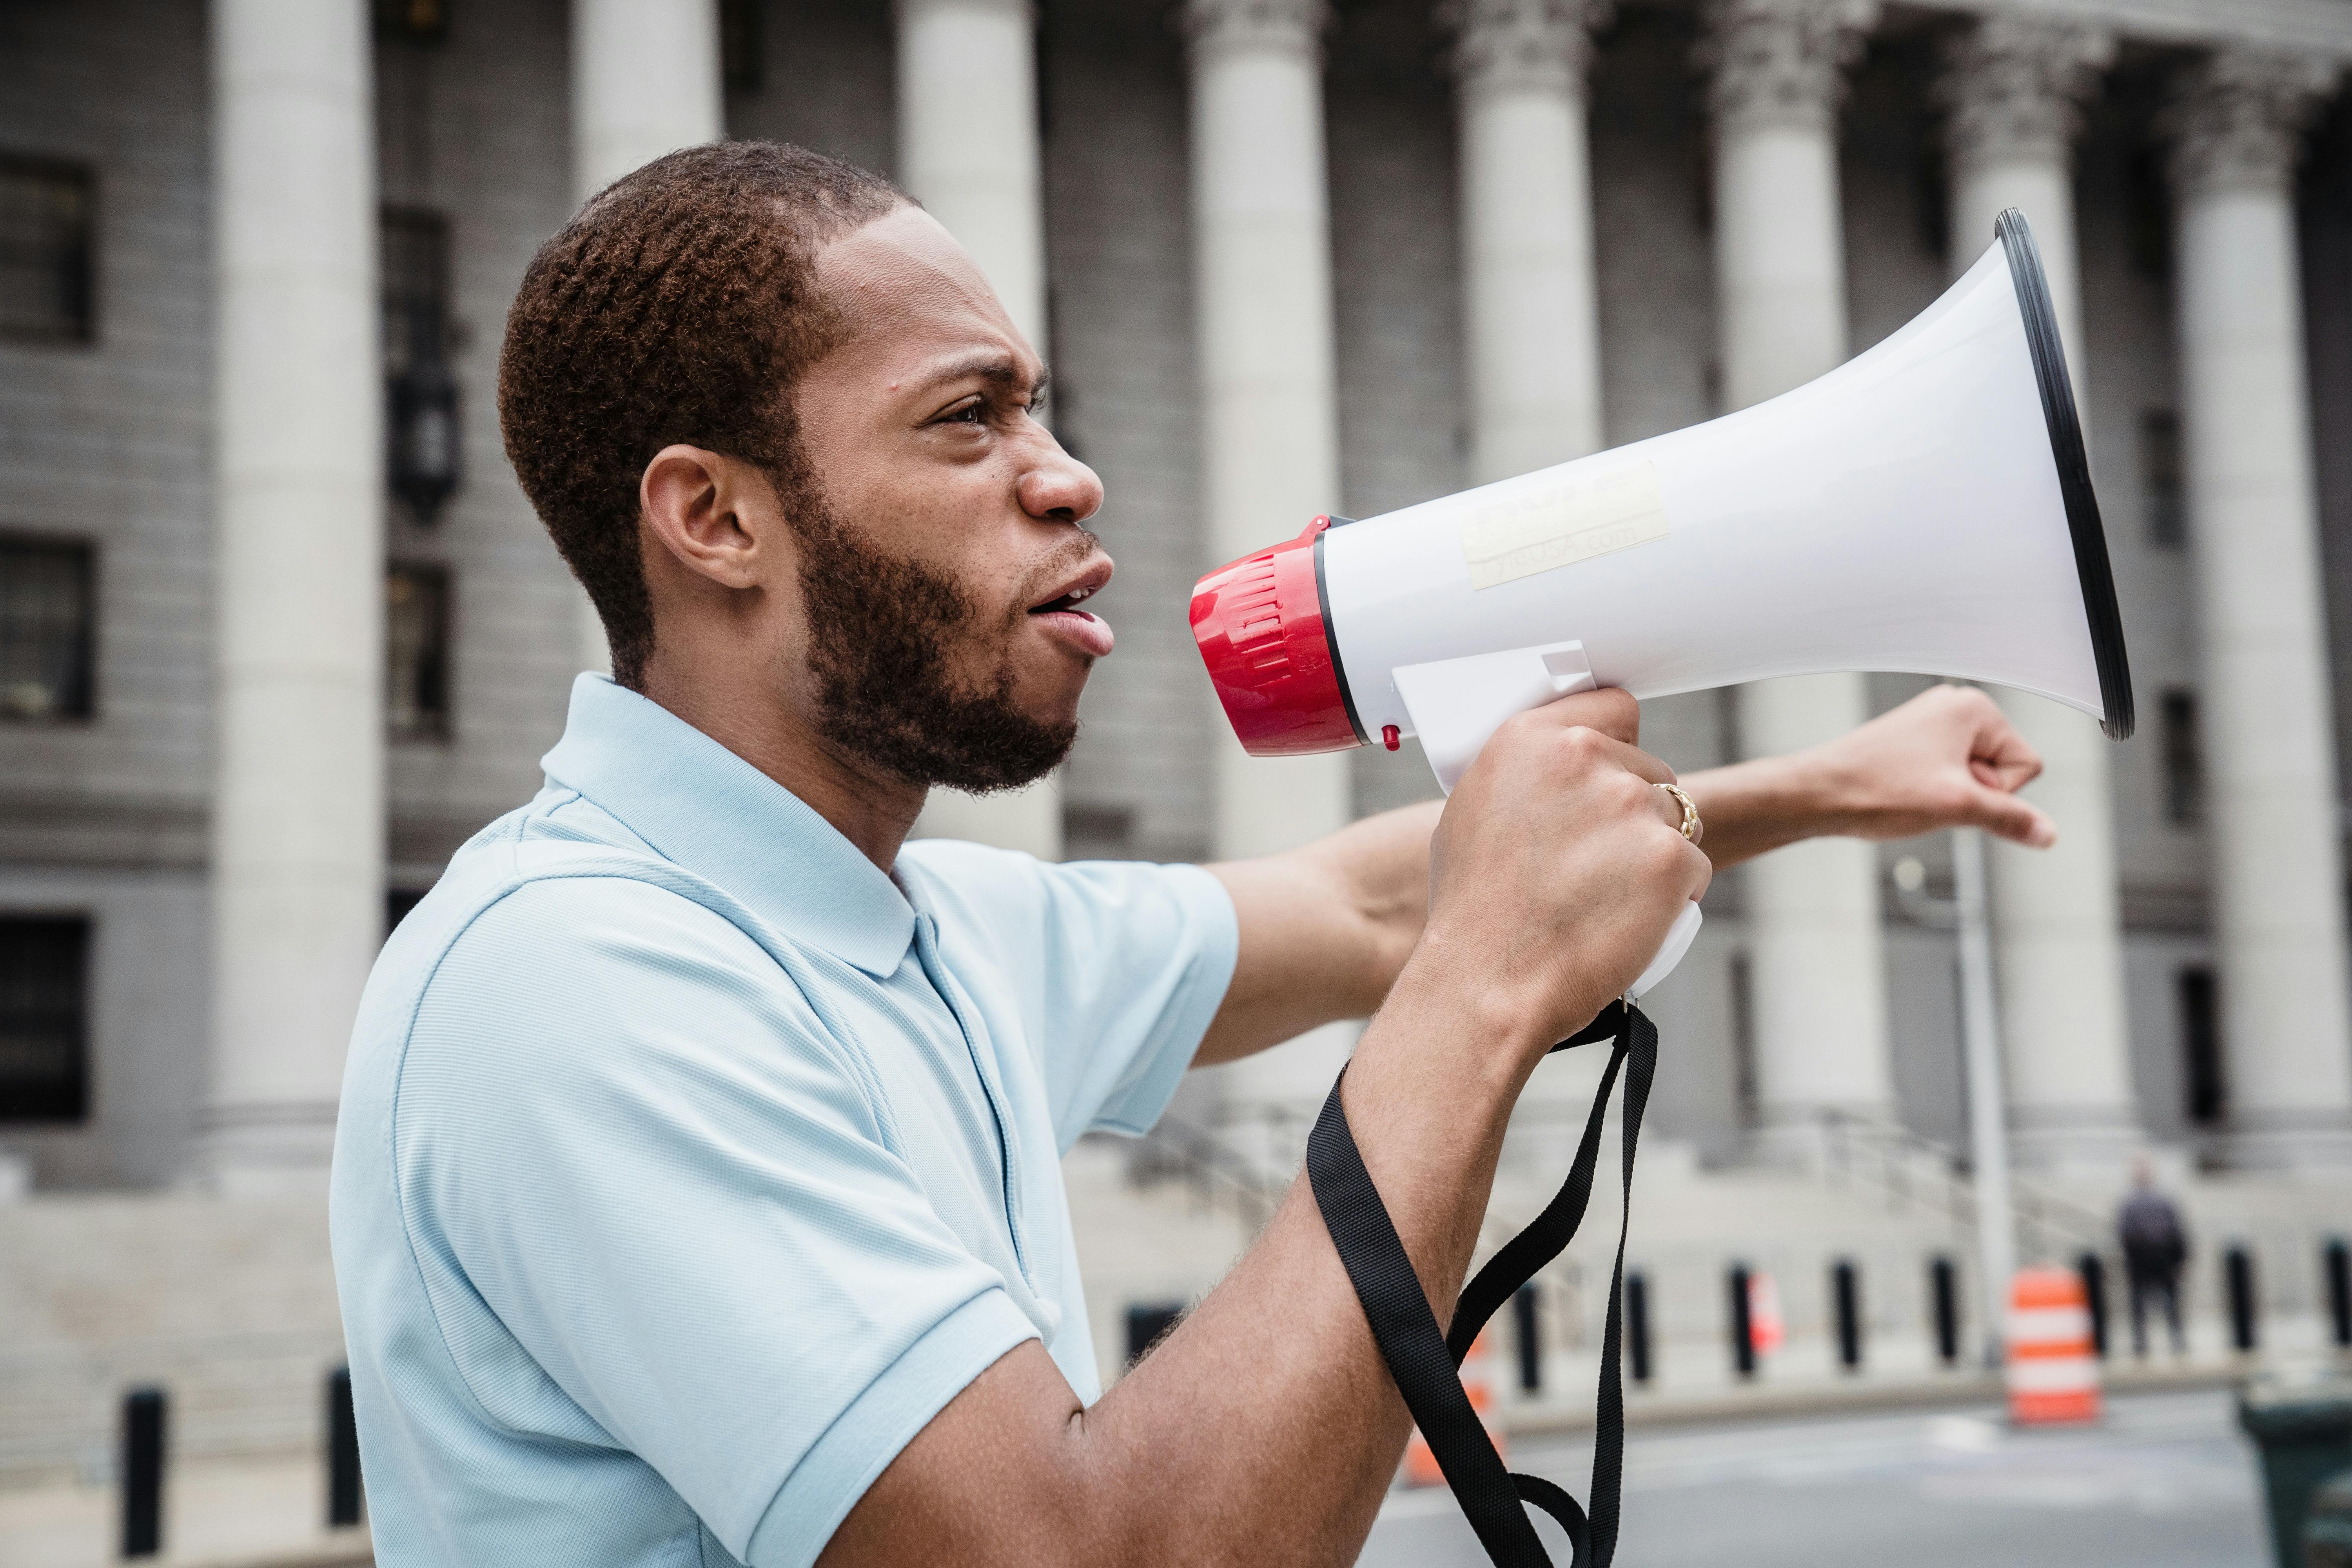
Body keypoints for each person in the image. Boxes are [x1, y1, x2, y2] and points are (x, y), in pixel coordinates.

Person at [329, 141, 2060, 1567]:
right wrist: (1484, 989)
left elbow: (1364, 901)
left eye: (1045, 409)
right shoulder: (578, 980)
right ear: (715, 519)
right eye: (968, 419)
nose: (1069, 477)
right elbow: (1093, 1556)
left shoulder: (915, 927)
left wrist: (1824, 782)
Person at [2119, 1158, 2192, 1357]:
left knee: (2168, 1302)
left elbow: (2177, 1231)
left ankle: (2172, 1340)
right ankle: (2144, 1343)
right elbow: (2125, 1234)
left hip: (2160, 1257)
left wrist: (2181, 1258)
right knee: (2142, 1303)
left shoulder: (2159, 1202)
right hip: (2144, 1258)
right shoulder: (2133, 1204)